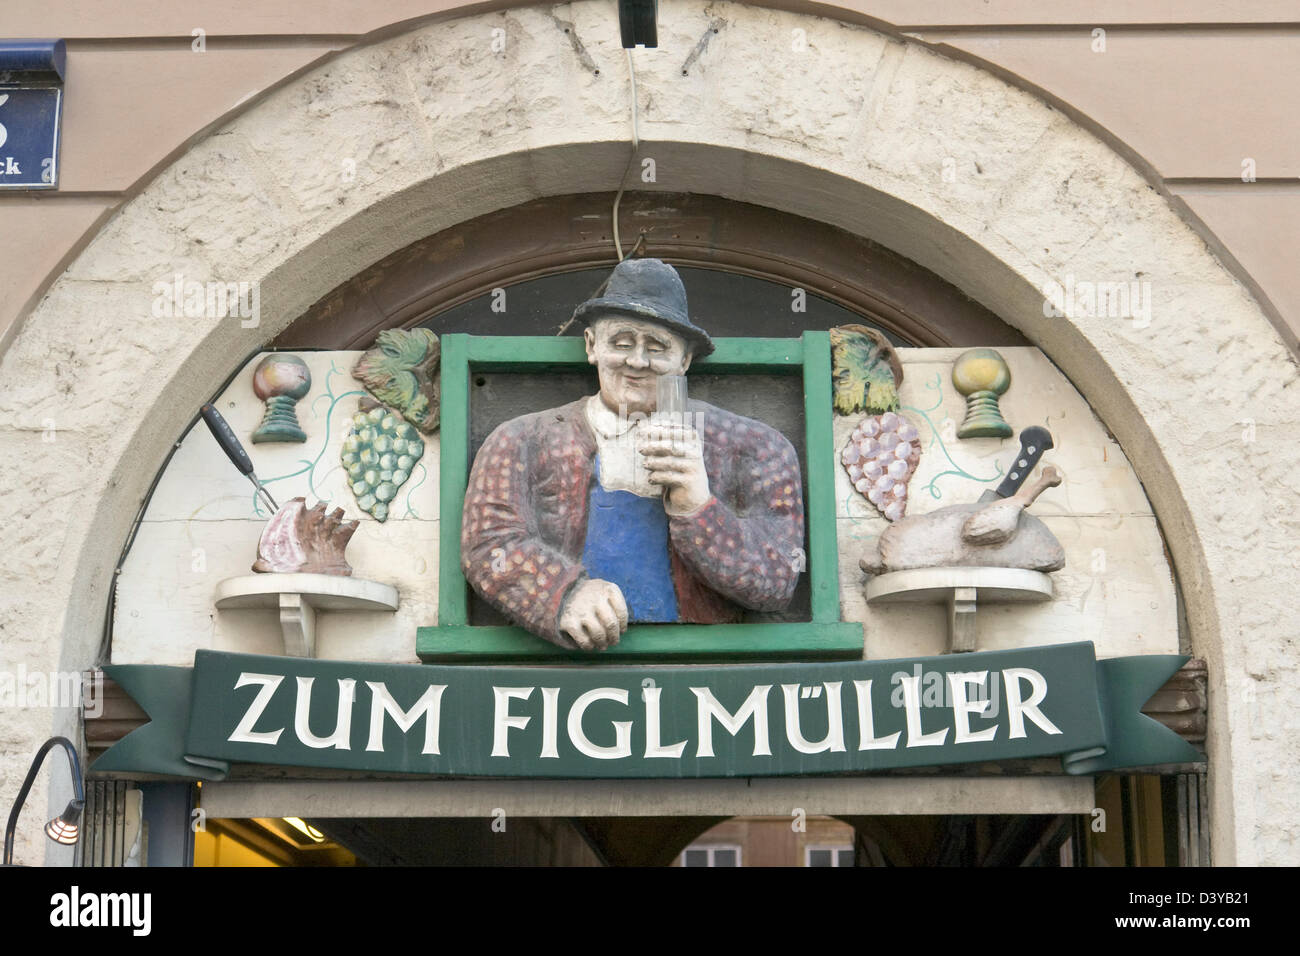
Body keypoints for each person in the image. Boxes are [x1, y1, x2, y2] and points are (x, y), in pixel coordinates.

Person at [461, 258, 804, 651]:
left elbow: (779, 577)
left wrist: (699, 509)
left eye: (657, 347)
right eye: (621, 343)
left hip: (702, 663)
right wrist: (561, 594)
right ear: (592, 346)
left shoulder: (755, 447)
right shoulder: (521, 440)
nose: (637, 362)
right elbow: (487, 544)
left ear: (685, 360)